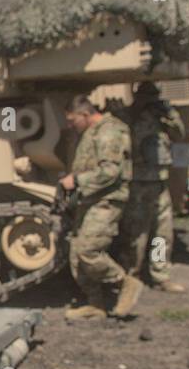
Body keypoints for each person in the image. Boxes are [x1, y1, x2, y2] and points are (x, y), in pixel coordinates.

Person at [59, 94, 142, 320]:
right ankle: (96, 305)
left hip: (106, 201)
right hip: (91, 199)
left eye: (72, 120)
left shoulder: (108, 131)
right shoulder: (92, 132)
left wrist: (77, 181)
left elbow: (110, 172)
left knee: (88, 250)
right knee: (77, 255)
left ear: (85, 114)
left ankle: (125, 283)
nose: (70, 125)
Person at [118, 82, 187, 292]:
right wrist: (136, 111)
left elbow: (179, 134)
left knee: (162, 233)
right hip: (137, 182)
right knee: (136, 234)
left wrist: (169, 114)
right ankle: (132, 274)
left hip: (159, 181)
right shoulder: (130, 116)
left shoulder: (162, 116)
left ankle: (160, 275)